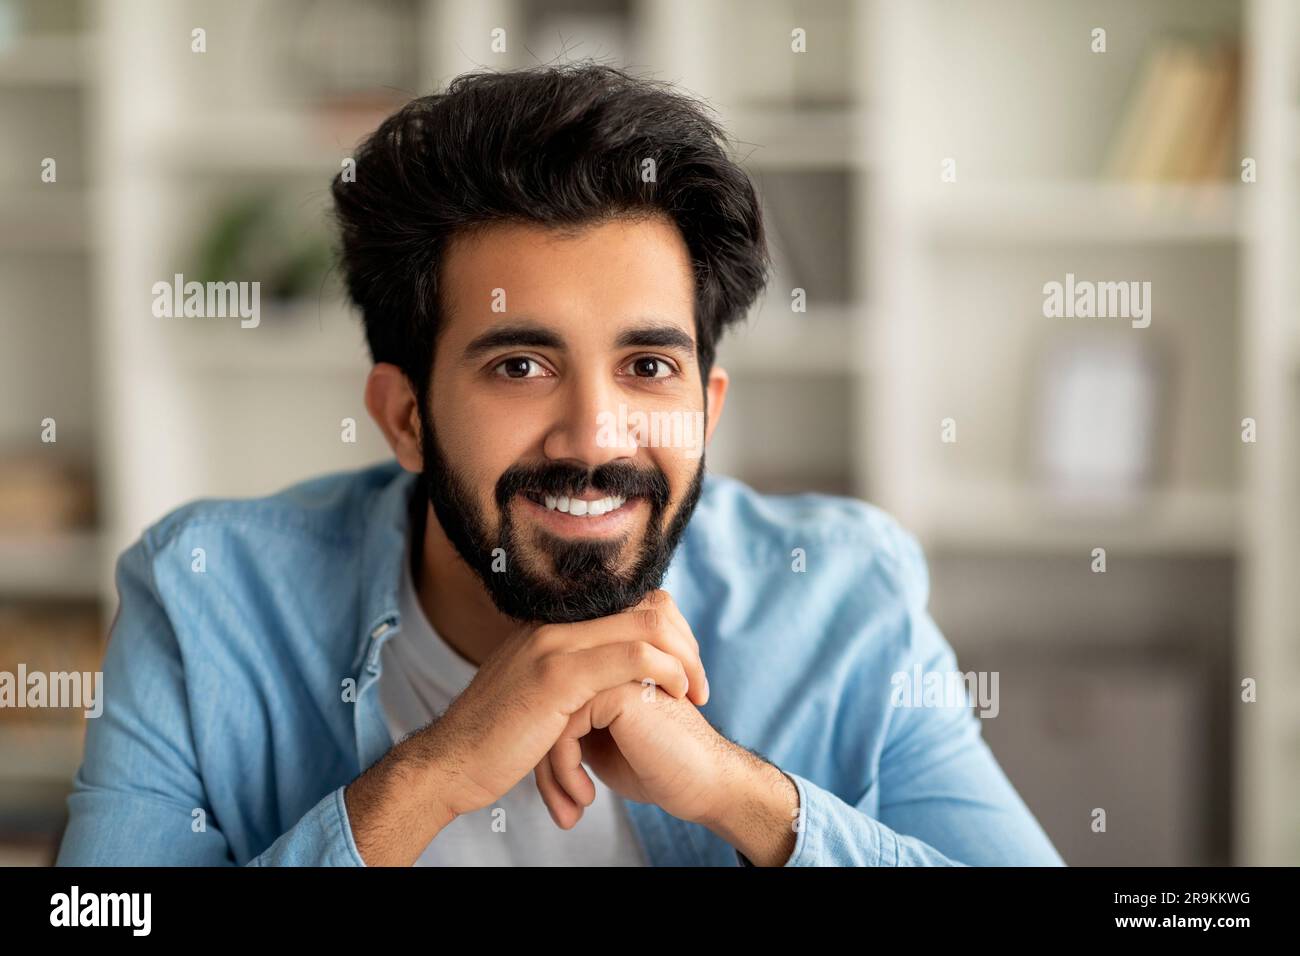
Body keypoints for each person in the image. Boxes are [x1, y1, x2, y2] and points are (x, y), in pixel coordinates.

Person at [56, 63, 1063, 867]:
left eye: (648, 365)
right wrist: (433, 775)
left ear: (705, 411)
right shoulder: (205, 597)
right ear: (405, 416)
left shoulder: (846, 601)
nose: (594, 437)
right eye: (521, 364)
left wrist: (744, 798)